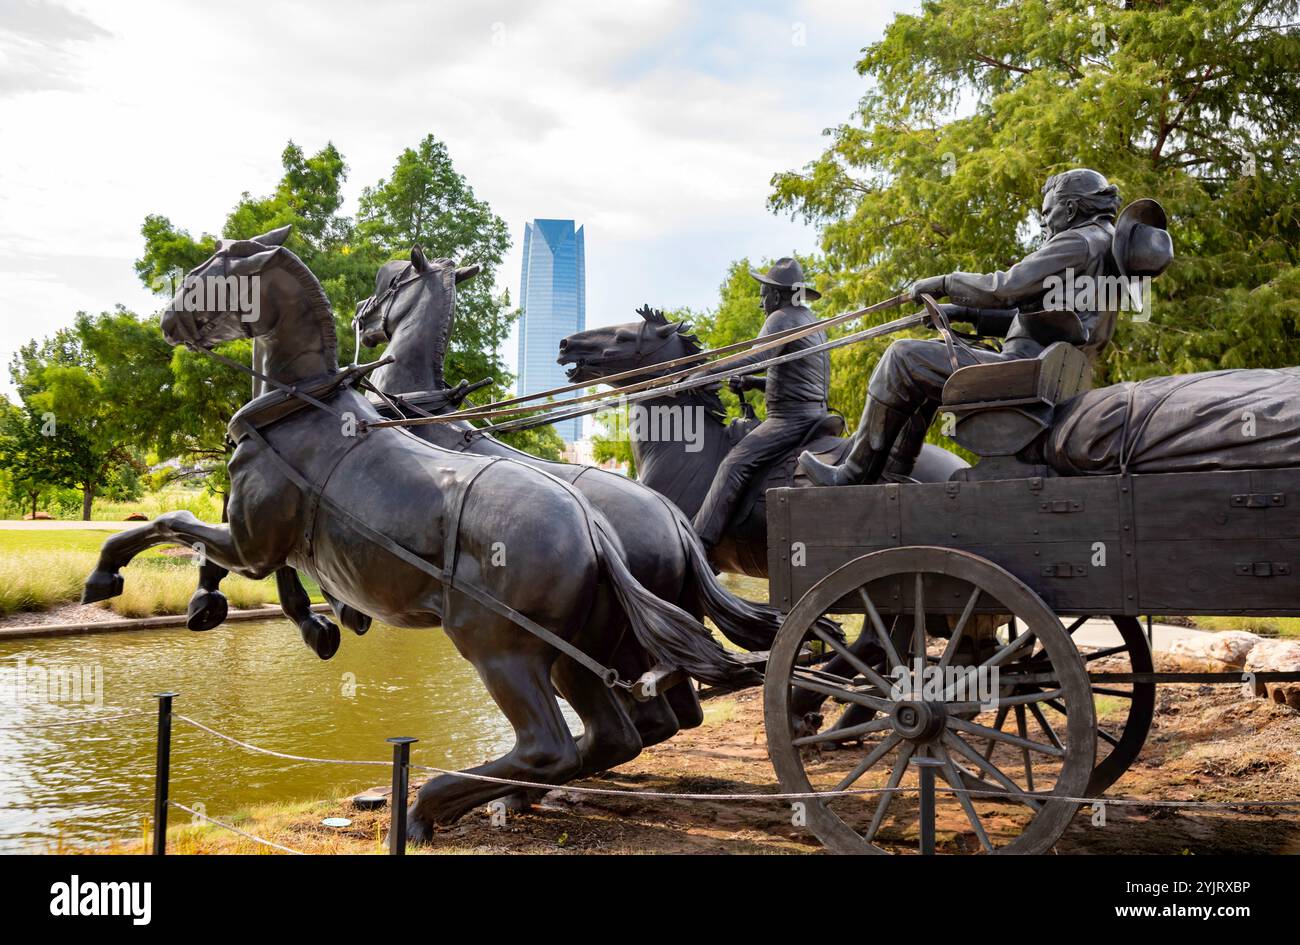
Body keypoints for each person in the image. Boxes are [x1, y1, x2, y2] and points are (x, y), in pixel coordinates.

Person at [799, 167, 1135, 487]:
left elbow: (1005, 287)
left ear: (1072, 207)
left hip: (1025, 374)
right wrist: (964, 312)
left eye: (1047, 213)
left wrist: (946, 282)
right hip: (1046, 372)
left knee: (903, 357)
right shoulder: (1103, 245)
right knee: (930, 365)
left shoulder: (1077, 241)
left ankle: (854, 473)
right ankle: (892, 470)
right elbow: (1042, 318)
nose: (1044, 222)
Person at [691, 258, 829, 549]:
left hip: (790, 419)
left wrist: (705, 373)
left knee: (733, 464)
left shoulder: (781, 318)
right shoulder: (812, 321)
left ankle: (698, 544)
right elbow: (799, 380)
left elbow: (758, 358)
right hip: (816, 413)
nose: (760, 303)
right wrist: (754, 383)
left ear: (777, 295)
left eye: (763, 294)